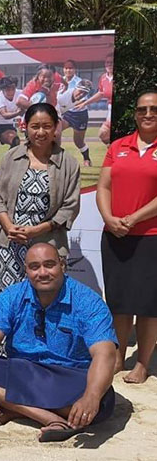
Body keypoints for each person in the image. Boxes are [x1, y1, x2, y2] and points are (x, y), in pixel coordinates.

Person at [0, 243, 118, 443]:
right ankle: (50, 418)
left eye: (49, 265)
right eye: (34, 267)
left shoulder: (89, 302)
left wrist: (91, 396)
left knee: (102, 402)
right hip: (25, 372)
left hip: (68, 376)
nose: (42, 273)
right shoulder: (11, 296)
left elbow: (105, 354)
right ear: (26, 270)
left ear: (62, 265)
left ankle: (14, 410)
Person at [97, 91, 157, 384]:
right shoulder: (118, 145)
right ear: (135, 114)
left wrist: (134, 219)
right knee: (118, 301)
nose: (148, 114)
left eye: (154, 109)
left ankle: (142, 363)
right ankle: (119, 357)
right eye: (142, 109)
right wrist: (108, 218)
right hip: (115, 235)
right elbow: (104, 187)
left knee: (148, 304)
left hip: (150, 237)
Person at [0, 104, 81, 294]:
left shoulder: (69, 164)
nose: (40, 132)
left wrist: (36, 231)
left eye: (47, 126)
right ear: (26, 127)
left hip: (49, 246)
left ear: (56, 127)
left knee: (47, 301)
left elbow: (70, 207)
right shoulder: (11, 157)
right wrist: (8, 226)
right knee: (10, 301)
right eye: (35, 126)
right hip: (10, 244)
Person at [57, 59, 94, 166]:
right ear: (63, 69)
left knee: (78, 141)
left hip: (79, 115)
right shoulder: (59, 81)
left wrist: (69, 104)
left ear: (75, 70)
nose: (68, 70)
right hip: (66, 114)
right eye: (66, 68)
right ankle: (56, 157)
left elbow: (82, 100)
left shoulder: (80, 82)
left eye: (70, 68)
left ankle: (87, 159)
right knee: (55, 131)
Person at [77, 54, 114, 144]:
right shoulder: (103, 78)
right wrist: (84, 103)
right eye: (107, 62)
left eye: (111, 62)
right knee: (103, 134)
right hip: (110, 109)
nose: (109, 64)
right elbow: (101, 93)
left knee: (105, 133)